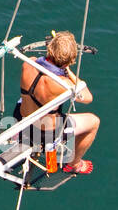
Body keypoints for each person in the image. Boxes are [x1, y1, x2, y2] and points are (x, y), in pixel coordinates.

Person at [14, 30, 98, 174]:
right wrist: (68, 72)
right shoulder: (63, 84)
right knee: (94, 121)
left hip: (22, 119)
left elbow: (42, 62)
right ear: (69, 61)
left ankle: (22, 138)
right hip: (45, 133)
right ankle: (74, 164)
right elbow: (87, 97)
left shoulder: (28, 64)